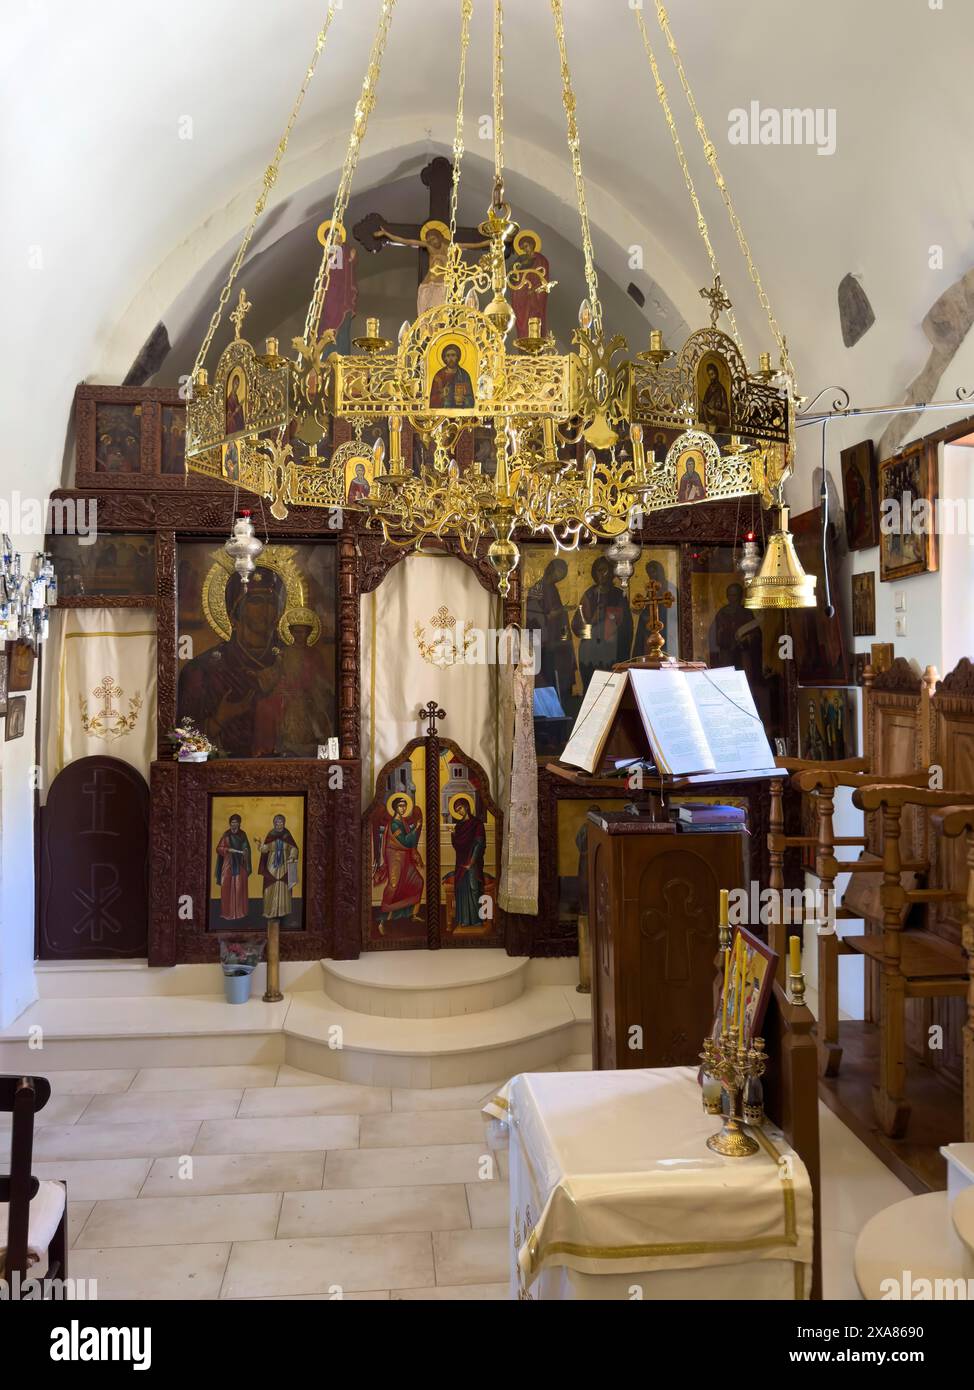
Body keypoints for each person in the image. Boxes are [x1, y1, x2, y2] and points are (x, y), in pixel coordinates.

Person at [572, 556, 633, 692]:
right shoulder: (589, 595)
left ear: (612, 573)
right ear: (594, 573)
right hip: (590, 650)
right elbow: (579, 627)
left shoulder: (619, 595)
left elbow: (626, 626)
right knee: (592, 689)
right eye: (600, 570)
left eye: (606, 570)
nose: (603, 574)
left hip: (613, 650)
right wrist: (593, 619)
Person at [526, 557, 576, 704]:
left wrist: (560, 612)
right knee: (546, 678)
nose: (559, 577)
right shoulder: (538, 588)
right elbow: (533, 615)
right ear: (551, 570)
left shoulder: (551, 588)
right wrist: (556, 613)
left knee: (556, 675)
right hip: (543, 643)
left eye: (562, 575)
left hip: (553, 642)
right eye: (559, 572)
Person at [373, 796, 425, 926]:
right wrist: (416, 828)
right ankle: (382, 919)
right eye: (401, 806)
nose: (403, 808)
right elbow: (406, 841)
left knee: (418, 882)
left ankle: (412, 914)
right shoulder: (395, 824)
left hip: (405, 857)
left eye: (405, 806)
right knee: (394, 885)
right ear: (395, 808)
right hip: (395, 858)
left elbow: (409, 842)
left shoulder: (403, 823)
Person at [450, 797, 486, 928]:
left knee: (473, 888)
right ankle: (464, 919)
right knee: (461, 888)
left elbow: (479, 843)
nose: (459, 811)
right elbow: (457, 846)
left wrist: (472, 862)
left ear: (466, 806)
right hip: (460, 862)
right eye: (456, 810)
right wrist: (453, 835)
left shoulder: (477, 824)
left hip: (473, 862)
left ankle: (477, 920)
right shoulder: (458, 826)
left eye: (460, 808)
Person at [258, 814, 300, 924]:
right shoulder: (270, 834)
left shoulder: (287, 835)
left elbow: (294, 848)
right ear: (274, 823)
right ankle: (270, 911)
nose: (279, 824)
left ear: (284, 823)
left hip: (284, 864)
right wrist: (261, 847)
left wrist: (292, 856)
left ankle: (283, 910)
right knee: (271, 884)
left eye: (281, 822)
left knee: (283, 885)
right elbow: (266, 849)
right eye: (277, 822)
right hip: (272, 864)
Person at [215, 814, 251, 922]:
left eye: (236, 822)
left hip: (240, 864)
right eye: (232, 822)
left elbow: (246, 847)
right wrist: (226, 849)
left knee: (239, 887)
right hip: (228, 863)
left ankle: (240, 913)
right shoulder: (226, 835)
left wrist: (245, 851)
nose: (234, 824)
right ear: (230, 823)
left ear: (239, 823)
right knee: (226, 886)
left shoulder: (242, 834)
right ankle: (227, 913)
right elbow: (218, 848)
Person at [429, 343, 475, 409]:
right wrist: (442, 395)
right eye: (448, 356)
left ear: (457, 357)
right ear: (444, 358)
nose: (450, 358)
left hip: (460, 413)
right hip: (443, 414)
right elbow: (431, 401)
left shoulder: (464, 375)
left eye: (453, 355)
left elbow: (471, 400)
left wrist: (464, 399)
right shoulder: (438, 376)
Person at [699, 361, 730, 432]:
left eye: (712, 374)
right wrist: (704, 407)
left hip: (718, 425)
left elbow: (725, 413)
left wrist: (715, 412)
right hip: (707, 422)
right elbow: (705, 404)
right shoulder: (709, 389)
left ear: (717, 373)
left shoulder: (721, 389)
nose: (711, 377)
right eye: (709, 375)